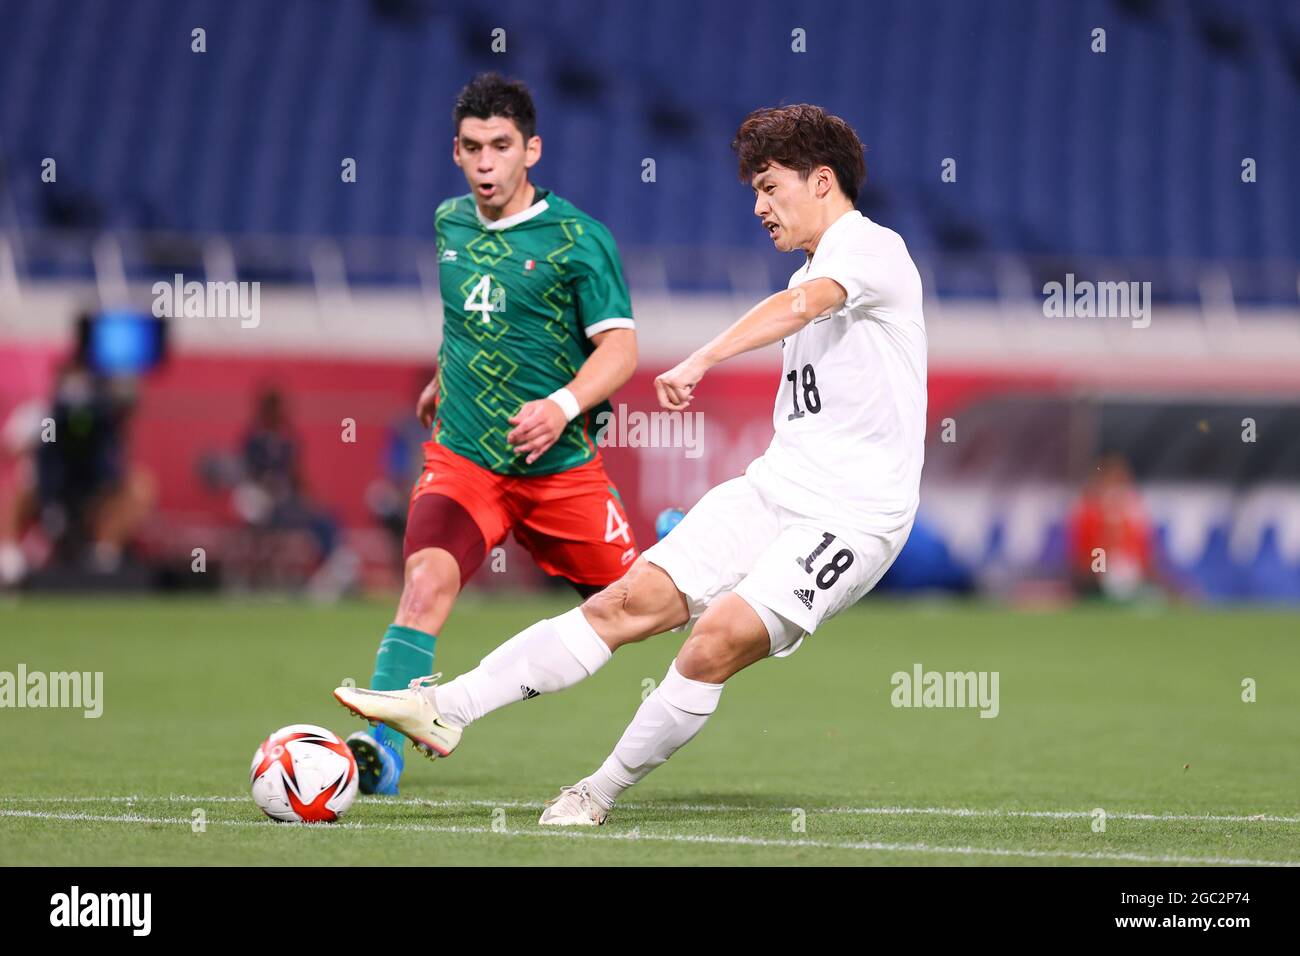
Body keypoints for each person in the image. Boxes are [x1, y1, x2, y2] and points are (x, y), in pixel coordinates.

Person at [335, 103, 927, 825]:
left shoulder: (872, 250)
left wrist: (705, 356)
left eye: (770, 188)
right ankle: (444, 706)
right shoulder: (818, 262)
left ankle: (596, 792)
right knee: (621, 603)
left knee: (713, 641)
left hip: (854, 519)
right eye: (754, 192)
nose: (759, 207)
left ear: (823, 181)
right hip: (774, 491)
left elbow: (801, 305)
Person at [345, 72, 641, 795]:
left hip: (560, 469)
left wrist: (562, 406)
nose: (486, 162)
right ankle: (380, 755)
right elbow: (471, 319)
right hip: (467, 461)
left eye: (501, 146)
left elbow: (621, 350)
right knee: (424, 584)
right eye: (472, 147)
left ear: (531, 150)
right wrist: (444, 381)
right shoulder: (449, 223)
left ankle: (678, 538)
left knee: (646, 609)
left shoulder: (578, 240)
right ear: (455, 151)